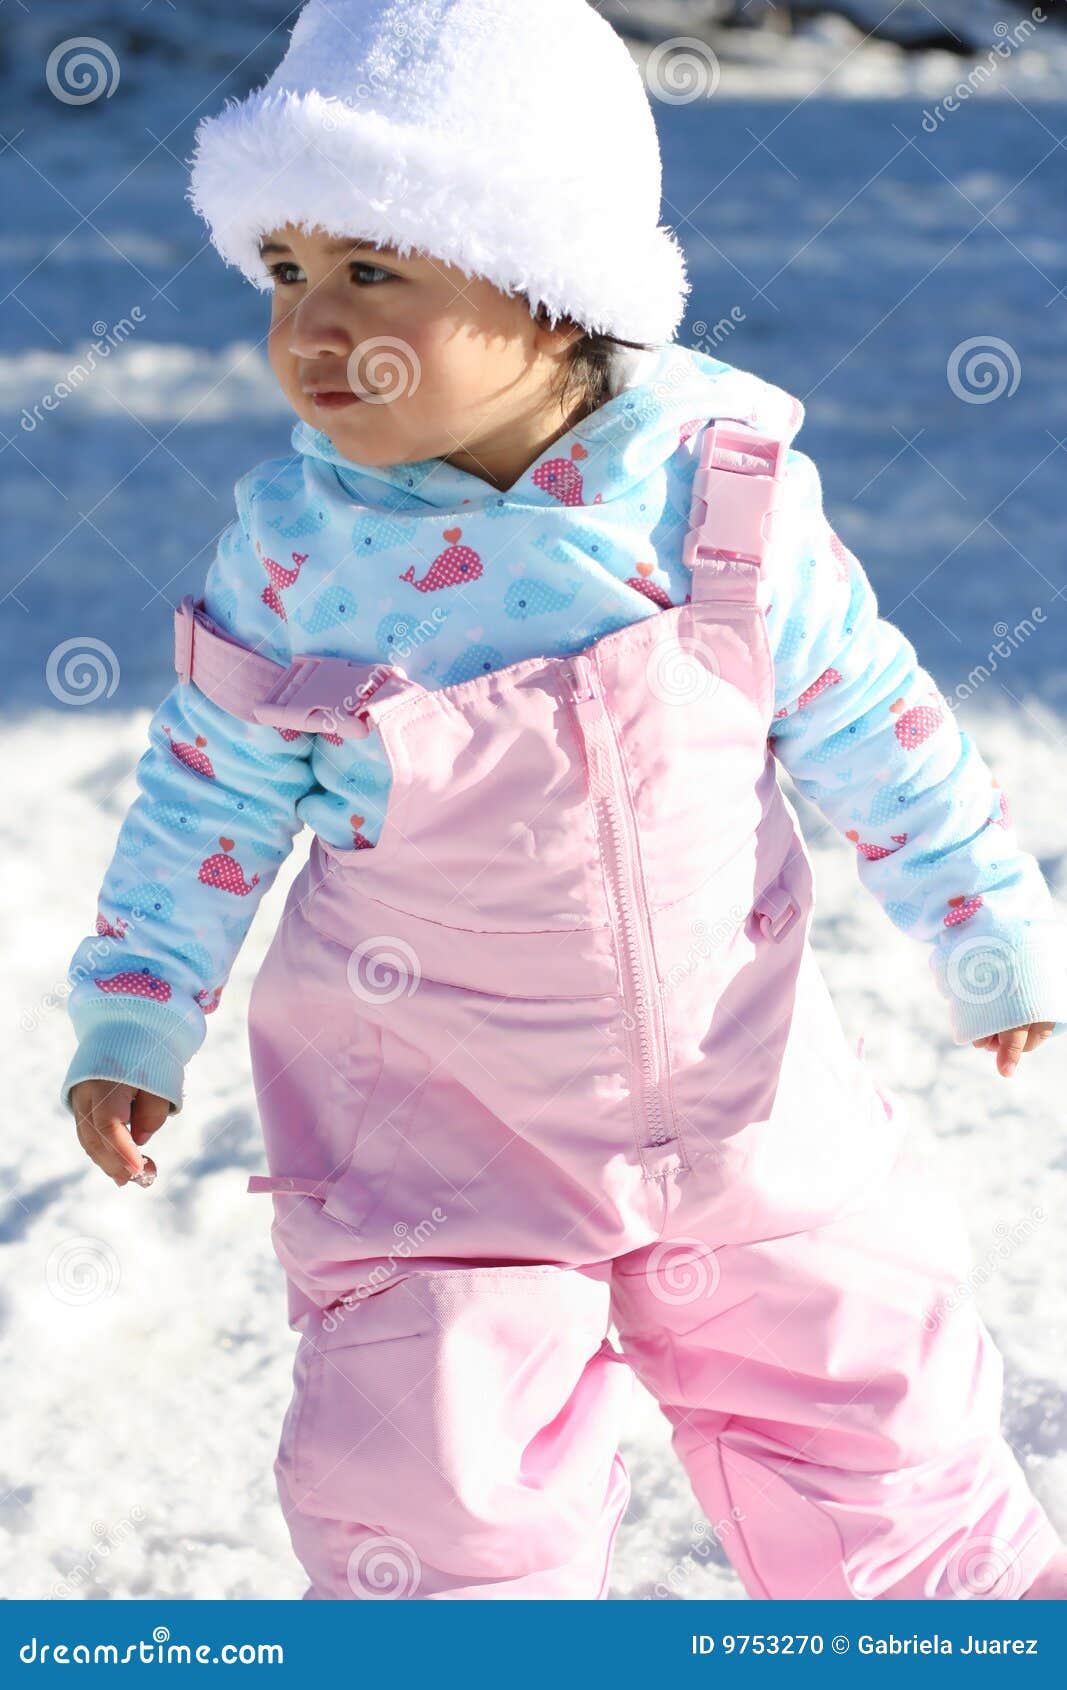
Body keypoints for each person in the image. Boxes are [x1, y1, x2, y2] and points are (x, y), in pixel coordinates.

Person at [60, 0, 1067, 1601]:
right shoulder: (302, 558)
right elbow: (208, 792)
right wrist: (138, 1005)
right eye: (286, 271)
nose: (310, 325)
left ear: (550, 290)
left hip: (745, 1107)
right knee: (433, 1485)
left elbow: (879, 722)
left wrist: (987, 920)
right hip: (437, 1140)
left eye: (371, 268)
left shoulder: (719, 500)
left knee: (879, 1426)